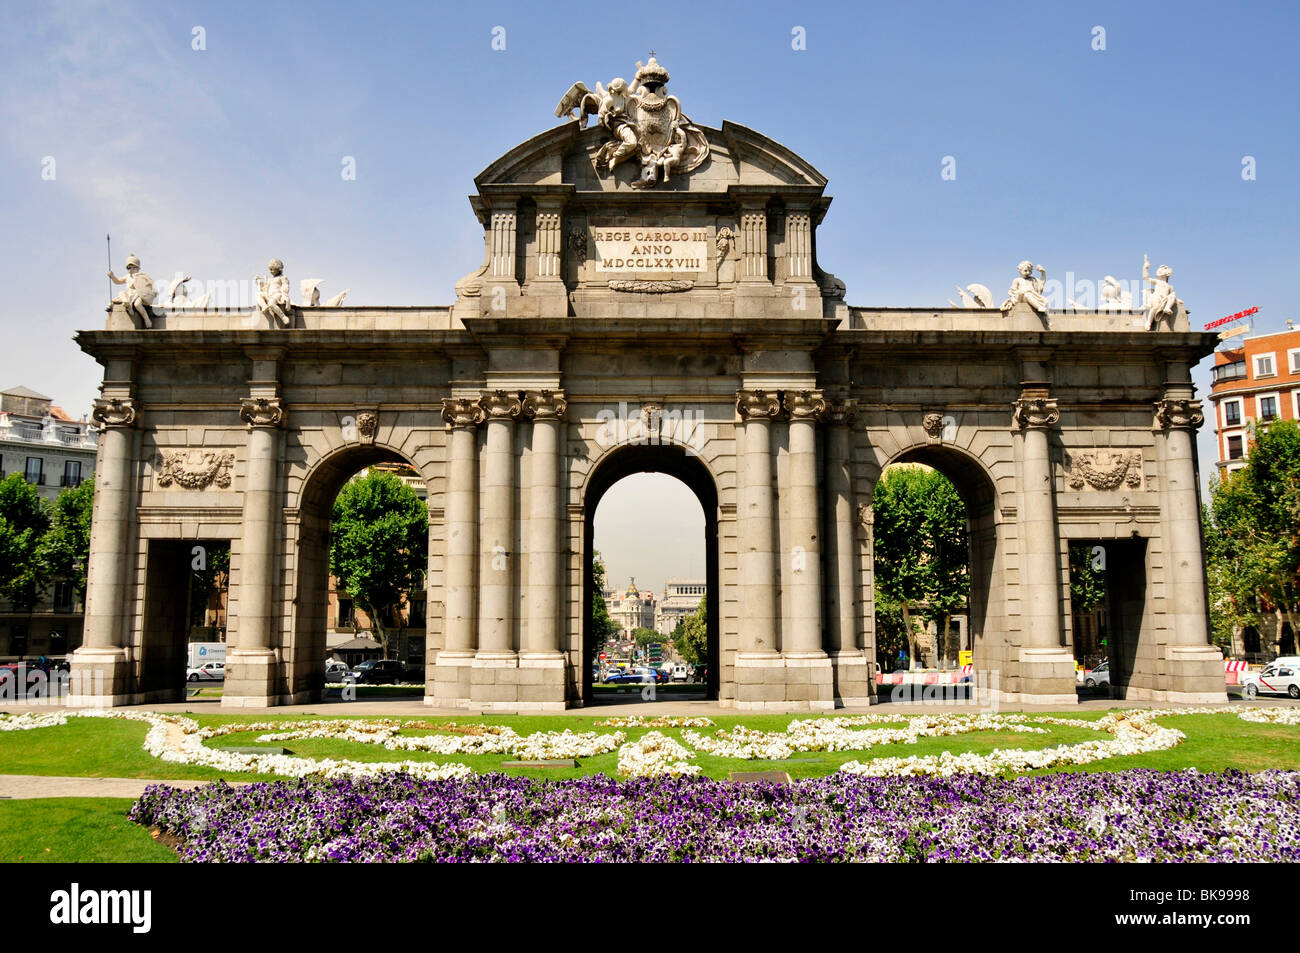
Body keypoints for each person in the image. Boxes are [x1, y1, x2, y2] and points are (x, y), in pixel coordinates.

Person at [108, 255, 157, 327]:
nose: (131, 269)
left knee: (137, 304)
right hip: (129, 294)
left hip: (138, 295)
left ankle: (146, 319)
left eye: (134, 267)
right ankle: (127, 304)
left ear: (137, 268)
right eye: (129, 267)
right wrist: (112, 276)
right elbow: (117, 281)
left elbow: (148, 287)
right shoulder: (127, 277)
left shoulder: (141, 276)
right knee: (121, 293)